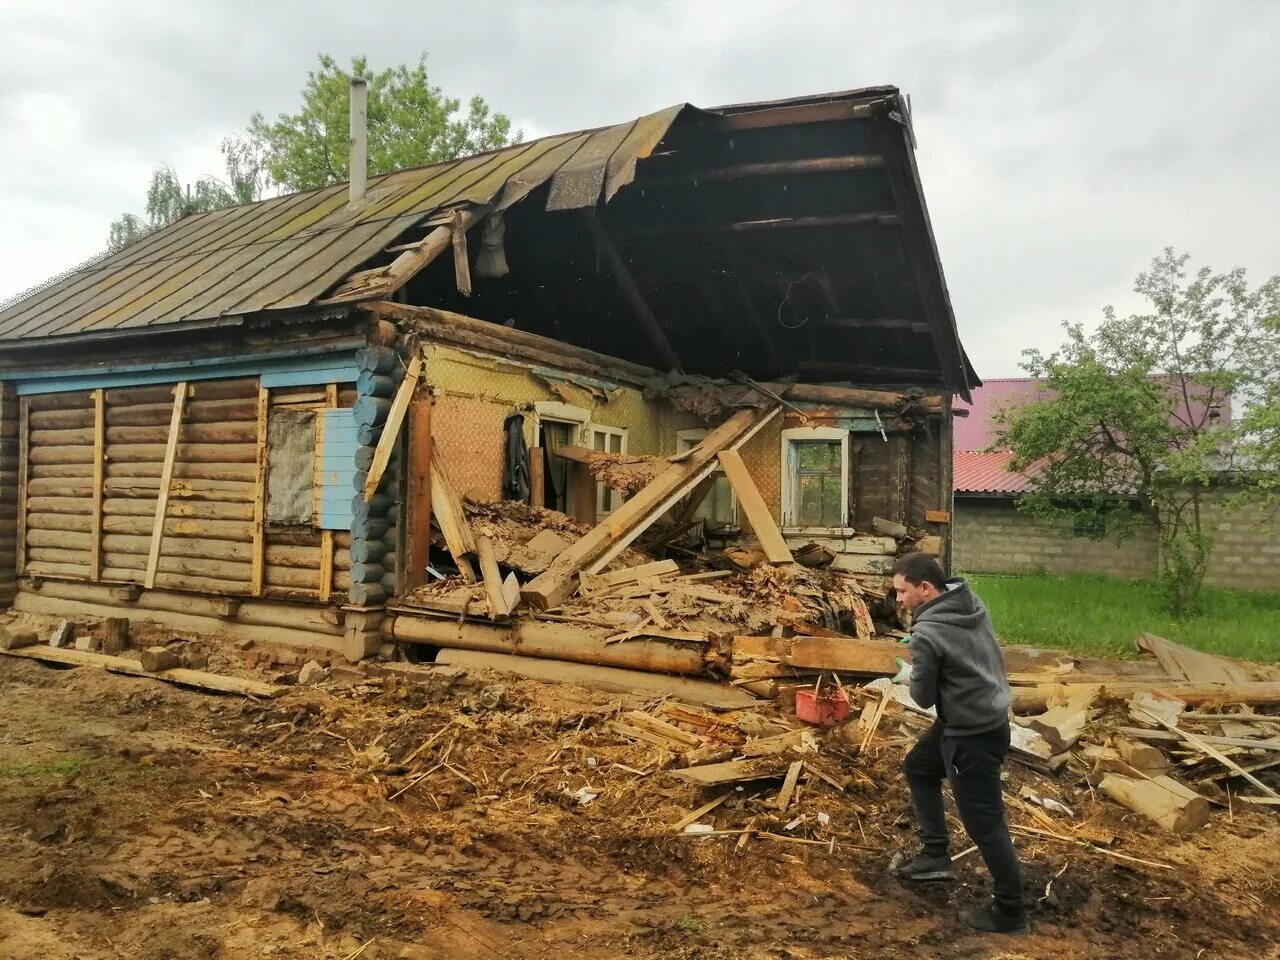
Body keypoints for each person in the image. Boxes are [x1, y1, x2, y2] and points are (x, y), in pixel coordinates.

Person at [889, 553, 1028, 935]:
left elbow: (923, 698)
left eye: (902, 592)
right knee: (919, 767)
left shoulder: (928, 634)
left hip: (970, 736)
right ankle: (935, 855)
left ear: (925, 588)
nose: (898, 600)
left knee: (985, 825)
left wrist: (911, 670)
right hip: (988, 718)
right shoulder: (970, 604)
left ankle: (1011, 912)